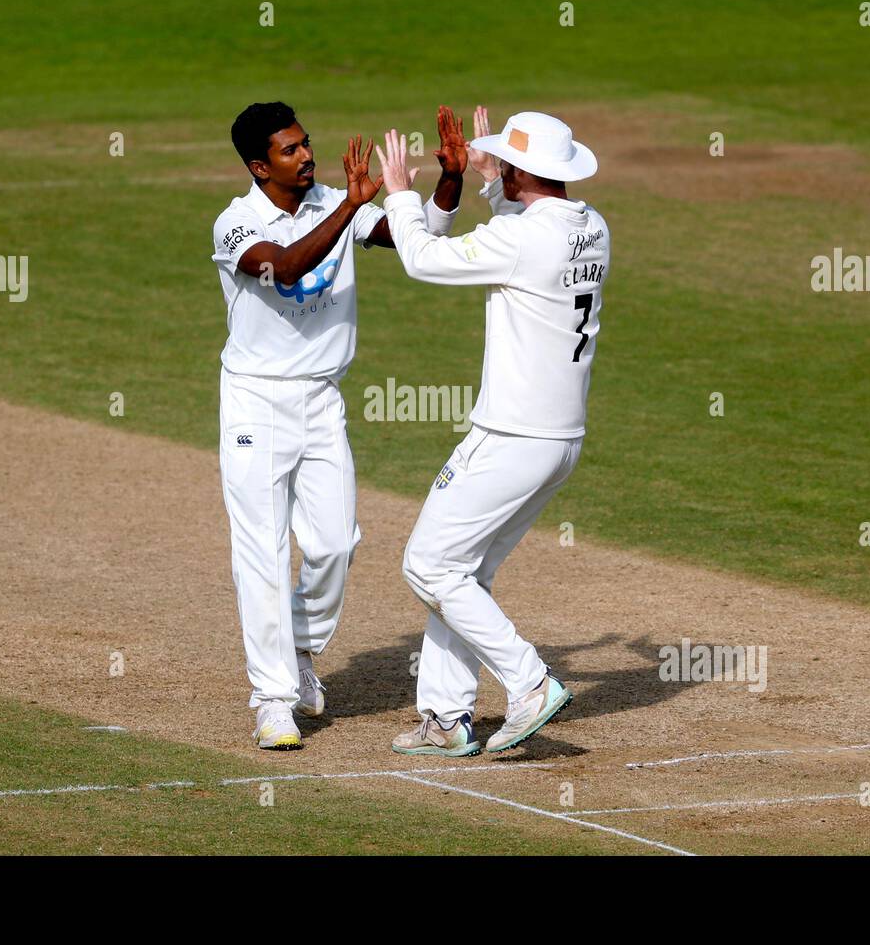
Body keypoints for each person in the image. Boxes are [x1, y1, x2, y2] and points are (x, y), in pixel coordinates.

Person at [211, 102, 466, 750]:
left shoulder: (332, 197)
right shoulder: (236, 224)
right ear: (258, 165)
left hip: (321, 400)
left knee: (334, 544)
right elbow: (285, 267)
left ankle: (298, 651)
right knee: (263, 554)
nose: (307, 156)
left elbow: (423, 234)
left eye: (307, 144)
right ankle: (272, 700)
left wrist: (450, 179)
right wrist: (348, 209)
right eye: (291, 151)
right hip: (256, 404)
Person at [374, 109, 608, 756]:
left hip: (512, 435)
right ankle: (447, 718)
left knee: (428, 563)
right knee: (463, 571)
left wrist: (399, 191)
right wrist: (489, 178)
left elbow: (422, 259)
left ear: (525, 171)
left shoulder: (526, 239)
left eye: (507, 160)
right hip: (558, 440)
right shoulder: (591, 225)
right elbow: (522, 227)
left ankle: (529, 682)